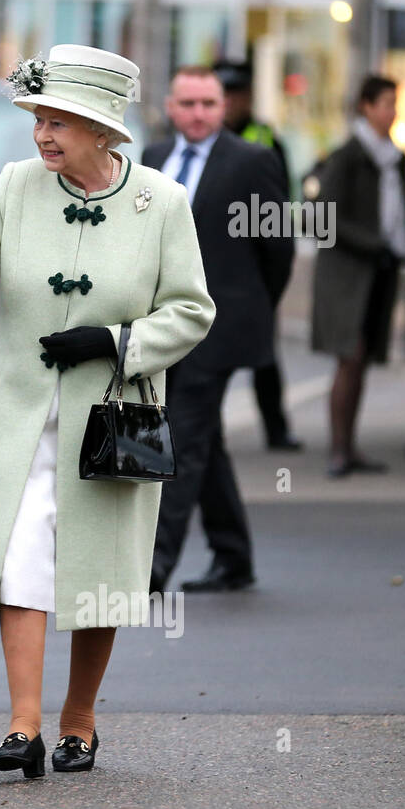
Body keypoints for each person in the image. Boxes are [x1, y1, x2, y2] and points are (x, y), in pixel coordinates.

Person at [0, 45, 215, 777]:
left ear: (103, 129)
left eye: (59, 121)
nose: (42, 134)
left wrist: (114, 341)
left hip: (110, 423)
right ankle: (23, 725)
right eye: (38, 119)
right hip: (22, 423)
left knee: (98, 575)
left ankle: (79, 719)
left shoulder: (161, 203)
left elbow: (193, 310)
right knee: (20, 566)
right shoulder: (17, 186)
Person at [144, 66, 293, 593]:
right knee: (205, 439)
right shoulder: (155, 158)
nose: (199, 113)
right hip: (165, 324)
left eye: (209, 103)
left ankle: (152, 569)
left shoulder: (254, 161)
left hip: (223, 326)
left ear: (223, 107)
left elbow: (279, 248)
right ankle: (234, 556)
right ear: (170, 106)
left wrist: (255, 308)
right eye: (188, 103)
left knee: (181, 437)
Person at [311, 75, 405, 477]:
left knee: (360, 364)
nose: (392, 111)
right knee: (350, 357)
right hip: (347, 276)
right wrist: (376, 242)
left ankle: (350, 446)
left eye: (396, 103)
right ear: (366, 106)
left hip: (381, 269)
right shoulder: (348, 156)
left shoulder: (395, 157)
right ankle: (338, 450)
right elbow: (323, 216)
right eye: (386, 103)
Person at [213, 59, 302, 451]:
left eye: (236, 95)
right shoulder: (201, 135)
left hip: (253, 254)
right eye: (224, 95)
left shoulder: (265, 138)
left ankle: (276, 429)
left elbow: (282, 209)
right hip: (211, 256)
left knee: (264, 352)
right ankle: (205, 429)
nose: (229, 103)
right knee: (203, 355)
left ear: (248, 97)